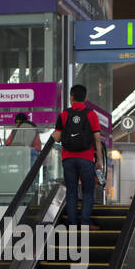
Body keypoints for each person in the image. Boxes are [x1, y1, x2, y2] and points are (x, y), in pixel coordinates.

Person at [52, 84, 104, 229]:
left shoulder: (64, 114)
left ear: (71, 97)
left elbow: (57, 138)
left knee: (71, 191)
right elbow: (97, 140)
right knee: (88, 191)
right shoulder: (91, 114)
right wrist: (99, 160)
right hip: (86, 158)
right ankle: (86, 223)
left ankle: (73, 224)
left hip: (68, 159)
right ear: (85, 98)